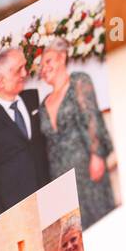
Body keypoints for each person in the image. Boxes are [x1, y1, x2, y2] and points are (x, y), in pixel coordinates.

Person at [37, 40, 116, 228]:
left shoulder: (79, 81)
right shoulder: (42, 105)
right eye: (41, 66)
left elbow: (92, 118)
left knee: (101, 218)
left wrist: (97, 155)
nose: (44, 68)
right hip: (60, 176)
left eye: (48, 61)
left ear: (62, 57)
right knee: (77, 228)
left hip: (87, 166)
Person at [0, 48, 49, 220]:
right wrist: (4, 223)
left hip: (49, 198)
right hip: (19, 214)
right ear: (1, 80)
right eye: (18, 70)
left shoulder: (32, 98)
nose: (25, 73)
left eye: (24, 67)